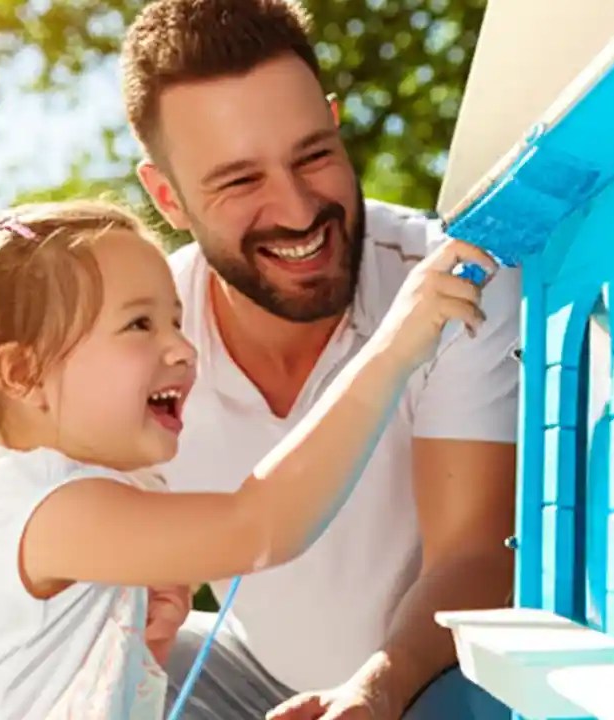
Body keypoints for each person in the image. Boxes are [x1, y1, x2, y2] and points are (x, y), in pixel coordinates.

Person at [0, 199, 495, 719]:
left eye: (176, 321)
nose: (183, 350)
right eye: (139, 325)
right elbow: (260, 526)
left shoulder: (35, 497)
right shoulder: (49, 503)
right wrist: (395, 348)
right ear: (23, 372)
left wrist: (142, 649)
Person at [119, 1, 521, 718]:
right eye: (240, 182)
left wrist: (377, 689)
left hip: (426, 675)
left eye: (314, 155)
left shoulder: (453, 277)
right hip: (250, 673)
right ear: (167, 197)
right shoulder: (137, 335)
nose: (300, 211)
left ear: (335, 120)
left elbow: (476, 558)